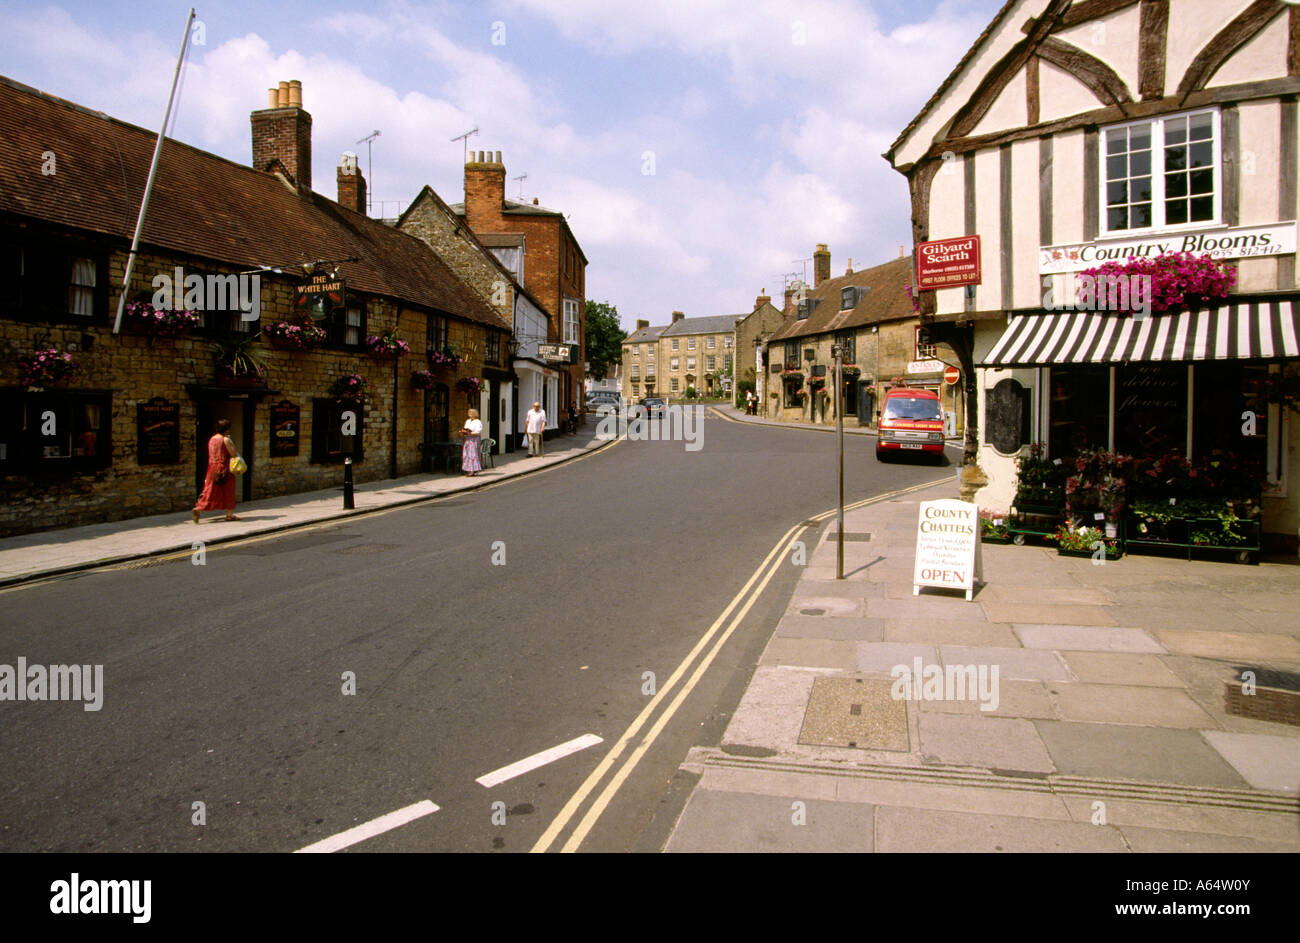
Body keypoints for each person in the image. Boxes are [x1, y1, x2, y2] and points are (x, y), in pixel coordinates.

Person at [193, 418, 240, 523]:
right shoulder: (225, 439)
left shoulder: (212, 439)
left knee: (210, 490)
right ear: (226, 429)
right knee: (228, 490)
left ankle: (198, 508)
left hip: (212, 468)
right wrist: (232, 443)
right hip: (223, 468)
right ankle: (229, 515)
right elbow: (232, 453)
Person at [460, 408, 483, 476]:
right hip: (467, 439)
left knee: (473, 455)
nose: (469, 415)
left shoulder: (478, 422)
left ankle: (473, 470)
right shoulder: (468, 421)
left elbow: (478, 432)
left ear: (475, 414)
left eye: (471, 413)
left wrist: (470, 433)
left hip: (474, 439)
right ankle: (468, 469)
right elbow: (465, 429)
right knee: (467, 454)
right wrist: (463, 432)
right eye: (469, 413)